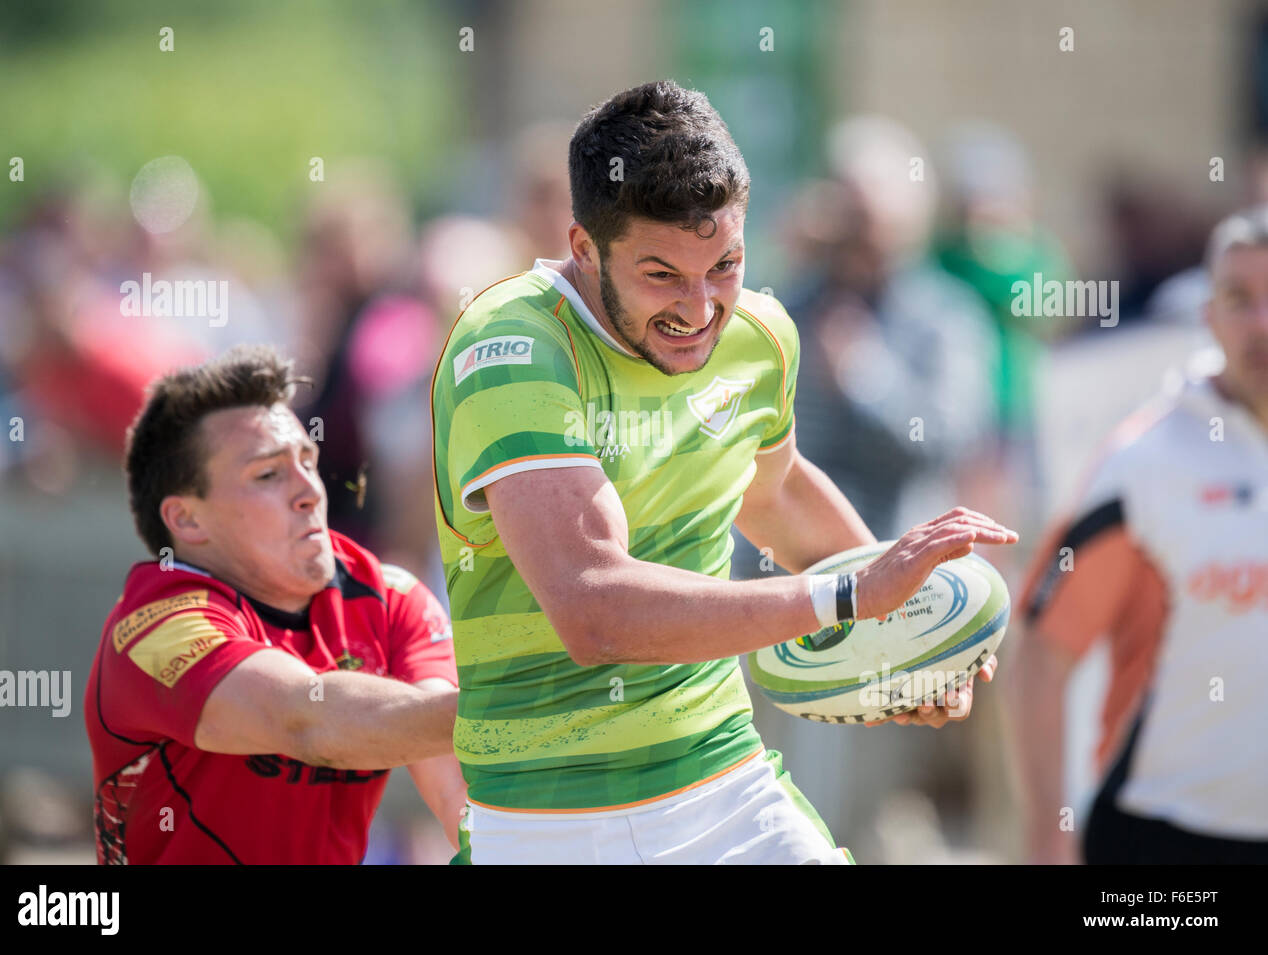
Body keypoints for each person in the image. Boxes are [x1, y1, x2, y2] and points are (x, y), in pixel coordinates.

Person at [430, 80, 1017, 865]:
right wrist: (845, 596)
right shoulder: (510, 345)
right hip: (548, 817)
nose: (702, 307)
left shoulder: (760, 334)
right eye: (662, 274)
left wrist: (900, 638)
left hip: (724, 780)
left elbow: (772, 490)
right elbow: (593, 609)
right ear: (583, 247)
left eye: (725, 265)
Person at [84, 346, 466, 864]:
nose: (310, 490)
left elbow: (456, 782)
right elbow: (307, 721)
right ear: (187, 521)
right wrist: (530, 701)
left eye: (307, 461)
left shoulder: (391, 598)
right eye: (268, 475)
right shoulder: (155, 628)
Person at [1010, 204, 1268, 864]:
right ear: (1208, 316)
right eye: (1240, 298)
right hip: (1165, 840)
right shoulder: (1146, 463)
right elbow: (1042, 649)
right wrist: (1048, 833)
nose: (1261, 323)